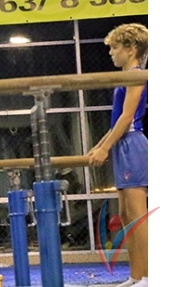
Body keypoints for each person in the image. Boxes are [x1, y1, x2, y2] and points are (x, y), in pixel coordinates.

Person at [88, 22, 148, 287]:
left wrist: (105, 147)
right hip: (123, 142)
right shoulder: (126, 75)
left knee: (138, 215)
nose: (111, 53)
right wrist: (100, 144)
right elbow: (116, 122)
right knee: (125, 215)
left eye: (114, 47)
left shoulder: (136, 74)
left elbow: (126, 118)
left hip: (132, 143)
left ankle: (149, 276)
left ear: (131, 48)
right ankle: (136, 276)